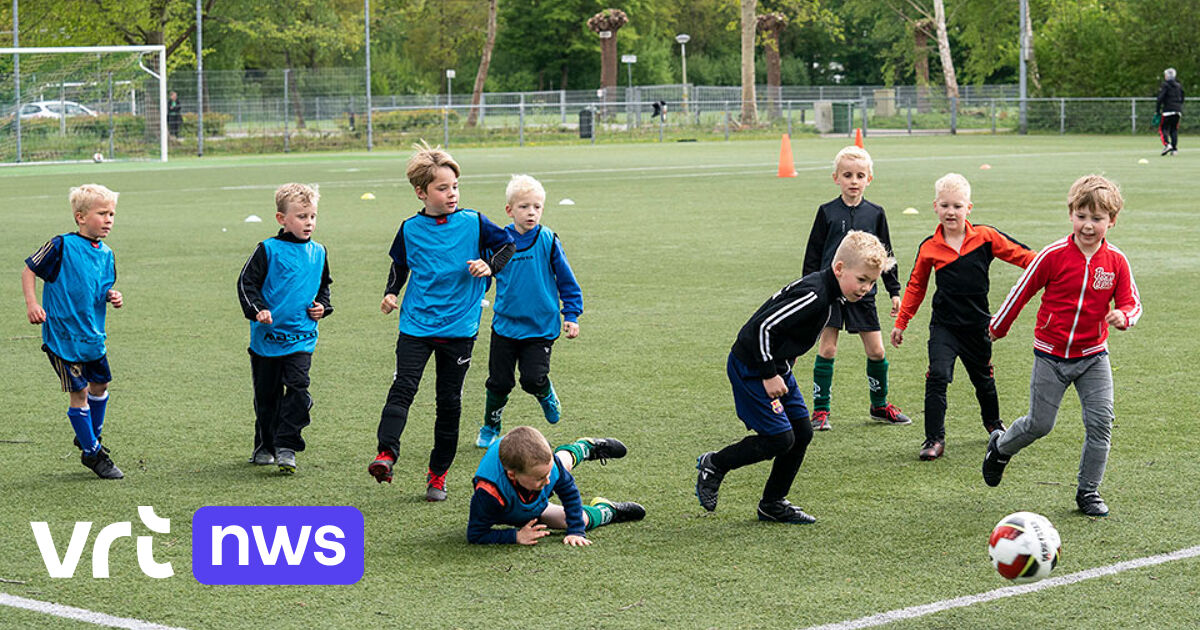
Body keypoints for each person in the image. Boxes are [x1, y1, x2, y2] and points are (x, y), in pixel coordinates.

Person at [696, 231, 896, 524]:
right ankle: (715, 464)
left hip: (776, 368)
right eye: (862, 279)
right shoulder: (815, 294)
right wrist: (768, 374)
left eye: (872, 282)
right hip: (752, 366)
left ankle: (772, 504)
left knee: (802, 433)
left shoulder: (831, 292)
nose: (866, 288)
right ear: (839, 269)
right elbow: (762, 328)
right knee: (779, 438)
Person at [983, 175, 1142, 517]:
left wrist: (1123, 317)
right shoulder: (1052, 255)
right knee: (1040, 424)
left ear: (1111, 221)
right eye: (1081, 216)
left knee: (1101, 423)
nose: (1088, 225)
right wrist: (998, 327)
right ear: (1071, 214)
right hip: (1050, 356)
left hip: (1093, 357)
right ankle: (1000, 447)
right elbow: (1021, 291)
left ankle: (1089, 492)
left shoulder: (1116, 262)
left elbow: (1132, 302)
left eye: (1097, 219)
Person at [369, 141, 515, 501]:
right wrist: (392, 292)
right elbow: (400, 264)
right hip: (416, 326)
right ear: (421, 193)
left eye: (455, 186)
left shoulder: (474, 222)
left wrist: (488, 266)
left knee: (448, 402)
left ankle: (438, 476)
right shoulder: (409, 229)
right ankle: (386, 454)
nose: (451, 194)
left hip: (459, 329)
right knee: (403, 388)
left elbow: (507, 244)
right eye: (442, 188)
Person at [890, 173, 1035, 461]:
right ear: (935, 207)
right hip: (944, 327)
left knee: (983, 379)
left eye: (957, 206)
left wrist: (1054, 268)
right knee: (937, 376)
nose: (950, 212)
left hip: (979, 326)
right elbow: (916, 287)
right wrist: (901, 322)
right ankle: (934, 439)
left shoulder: (985, 237)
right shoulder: (929, 247)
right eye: (945, 205)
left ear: (969, 208)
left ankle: (994, 425)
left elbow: (1025, 257)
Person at [21, 184, 125, 479]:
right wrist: (33, 303)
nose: (109, 220)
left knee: (100, 387)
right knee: (78, 390)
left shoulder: (106, 254)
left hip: (92, 337)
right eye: (102, 213)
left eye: (112, 214)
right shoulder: (60, 245)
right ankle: (93, 454)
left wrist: (112, 295)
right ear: (80, 217)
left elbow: (100, 288)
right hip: (63, 338)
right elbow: (29, 270)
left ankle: (89, 436)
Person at [802, 146, 908, 431]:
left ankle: (880, 405)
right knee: (827, 349)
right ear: (835, 177)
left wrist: (894, 291)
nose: (853, 181)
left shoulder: (876, 213)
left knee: (876, 351)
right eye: (847, 175)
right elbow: (813, 254)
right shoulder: (826, 212)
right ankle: (820, 411)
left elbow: (886, 254)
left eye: (860, 175)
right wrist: (809, 292)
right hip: (830, 294)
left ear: (869, 179)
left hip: (864, 294)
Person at [475, 175, 583, 449]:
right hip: (506, 326)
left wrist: (571, 314)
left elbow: (566, 280)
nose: (531, 212)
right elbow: (486, 276)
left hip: (540, 327)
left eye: (537, 206)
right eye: (524, 207)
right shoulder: (499, 241)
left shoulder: (547, 240)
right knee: (499, 382)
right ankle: (490, 426)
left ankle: (546, 394)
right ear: (510, 210)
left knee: (532, 379)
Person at [236, 183, 333, 475]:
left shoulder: (319, 252)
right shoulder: (268, 250)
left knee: (299, 387)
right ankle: (266, 444)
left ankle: (287, 446)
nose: (309, 223)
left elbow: (323, 286)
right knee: (267, 400)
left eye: (312, 216)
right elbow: (246, 284)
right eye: (301, 216)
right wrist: (258, 310)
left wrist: (322, 307)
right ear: (282, 219)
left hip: (302, 337)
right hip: (267, 339)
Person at [468, 427, 644, 545]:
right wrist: (515, 536)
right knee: (553, 476)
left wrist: (576, 531)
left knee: (562, 468)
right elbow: (475, 534)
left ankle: (583, 448)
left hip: (535, 490)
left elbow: (569, 492)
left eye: (547, 474)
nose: (546, 481)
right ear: (512, 475)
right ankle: (607, 509)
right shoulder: (489, 492)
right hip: (514, 507)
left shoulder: (547, 469)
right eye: (540, 478)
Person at [1156, 68, 1184, 155]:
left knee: (1163, 128)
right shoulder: (1179, 85)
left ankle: (1167, 144)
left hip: (1167, 110)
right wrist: (1179, 106)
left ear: (1167, 76)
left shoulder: (1165, 85)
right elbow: (1182, 97)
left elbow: (1160, 98)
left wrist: (1157, 110)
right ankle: (1174, 149)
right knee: (1174, 130)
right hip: (1177, 111)